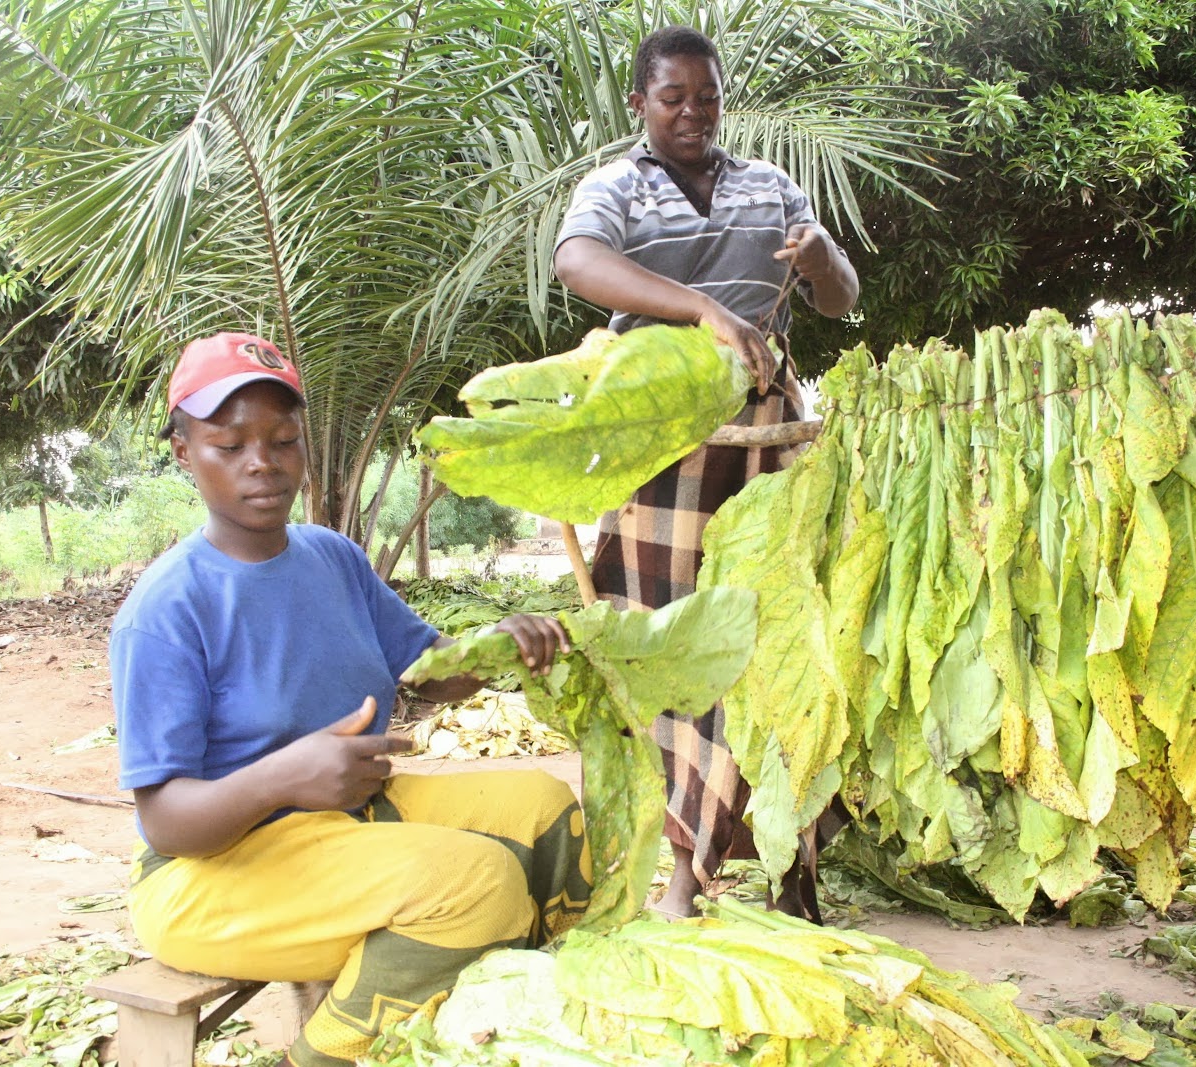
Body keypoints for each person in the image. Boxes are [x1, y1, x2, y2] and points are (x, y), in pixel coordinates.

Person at [111, 332, 591, 1067]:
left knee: (548, 809)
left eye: (281, 439)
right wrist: (283, 774)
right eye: (229, 444)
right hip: (207, 875)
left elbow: (429, 671)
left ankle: (508, 1029)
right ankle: (319, 1057)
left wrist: (503, 644)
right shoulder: (169, 608)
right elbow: (166, 822)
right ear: (183, 452)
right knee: (477, 885)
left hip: (348, 821)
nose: (261, 462)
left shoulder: (330, 555)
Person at [552, 26, 859, 919]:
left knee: (782, 641)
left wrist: (819, 260)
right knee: (675, 651)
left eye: (708, 97)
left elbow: (840, 296)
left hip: (768, 439)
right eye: (674, 97)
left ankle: (794, 863)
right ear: (642, 104)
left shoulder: (770, 186)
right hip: (666, 450)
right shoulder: (615, 188)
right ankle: (687, 867)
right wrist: (703, 311)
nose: (693, 113)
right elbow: (577, 264)